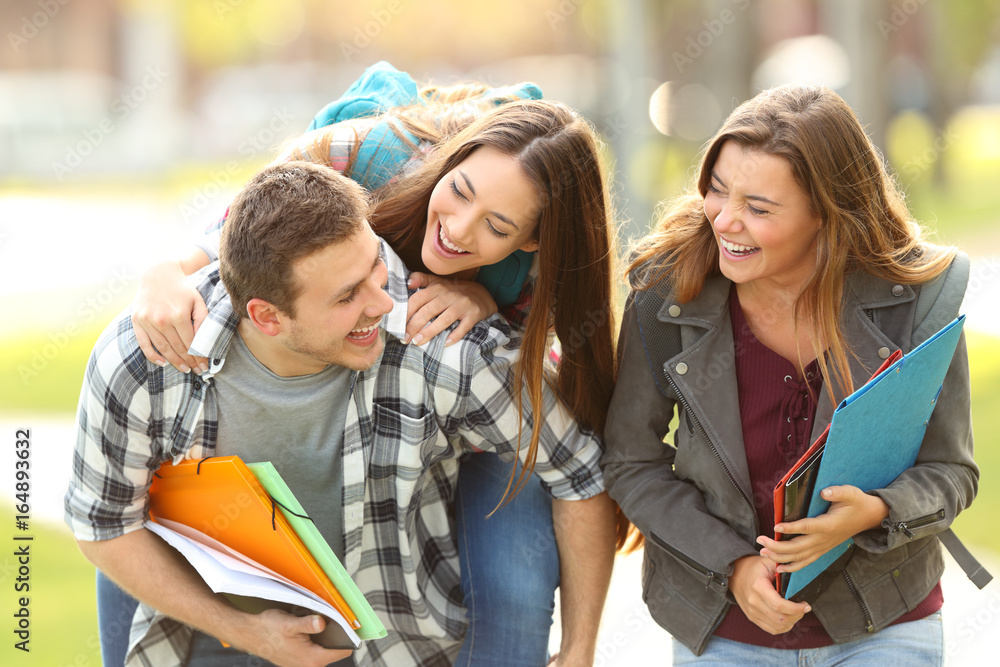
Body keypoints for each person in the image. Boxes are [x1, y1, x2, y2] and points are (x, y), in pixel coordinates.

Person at [129, 62, 630, 665]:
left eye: (496, 227)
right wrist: (162, 271)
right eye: (460, 192)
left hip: (470, 421)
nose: (458, 229)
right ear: (450, 162)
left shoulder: (531, 280)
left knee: (513, 592)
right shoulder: (359, 155)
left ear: (530, 242)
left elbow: (568, 455)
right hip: (371, 371)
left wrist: (483, 296)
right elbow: (246, 234)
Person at [602, 84, 978, 665]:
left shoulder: (917, 300)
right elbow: (632, 462)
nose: (726, 220)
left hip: (883, 618)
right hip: (719, 627)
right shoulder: (665, 298)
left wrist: (875, 511)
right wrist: (732, 565)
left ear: (827, 214)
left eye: (759, 208)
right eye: (718, 190)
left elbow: (951, 471)